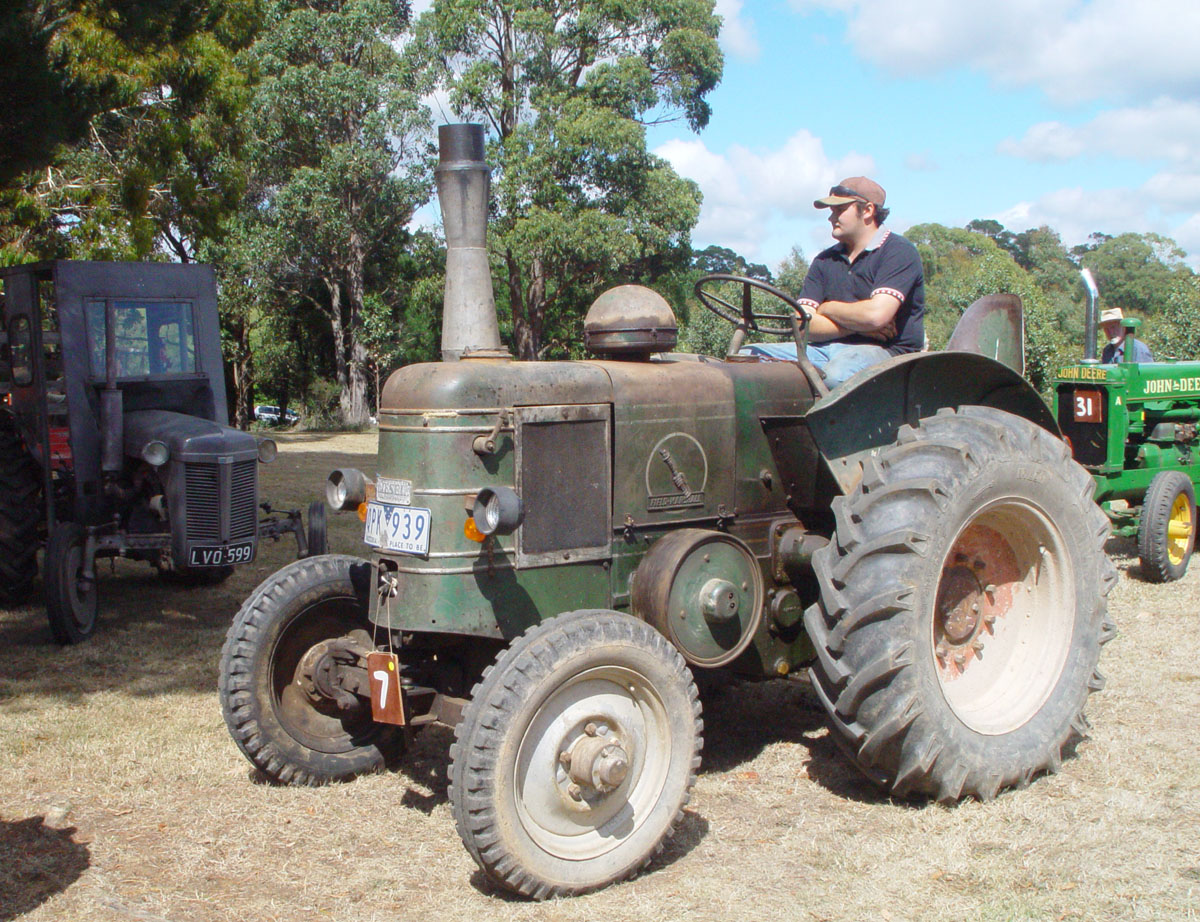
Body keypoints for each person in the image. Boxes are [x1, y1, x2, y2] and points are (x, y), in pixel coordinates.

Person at [746, 177, 926, 389]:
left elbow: (875, 315)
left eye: (839, 210)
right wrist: (859, 328)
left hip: (889, 354)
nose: (831, 218)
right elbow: (802, 325)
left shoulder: (898, 252)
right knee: (746, 356)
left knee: (837, 375)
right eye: (832, 211)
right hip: (823, 349)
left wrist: (827, 308)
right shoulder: (824, 260)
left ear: (867, 210)